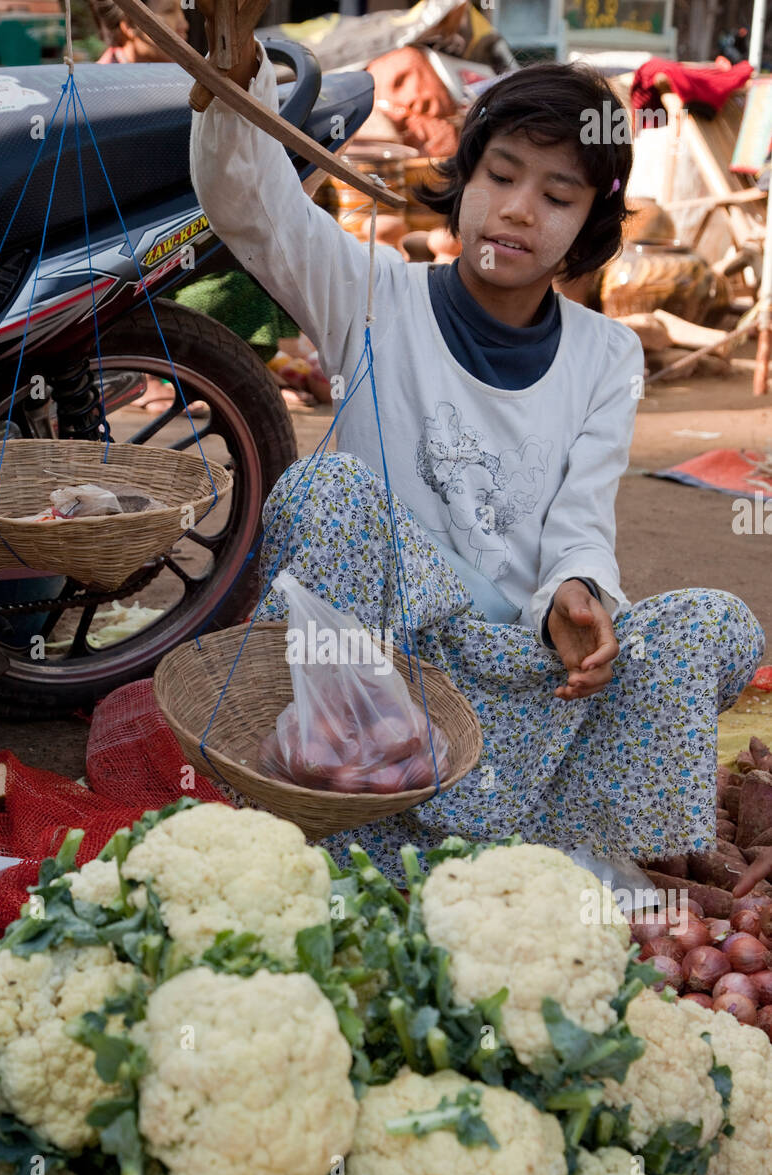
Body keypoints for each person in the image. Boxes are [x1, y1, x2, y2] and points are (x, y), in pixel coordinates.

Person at [190, 27, 766, 871]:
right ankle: (338, 819)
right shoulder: (371, 292)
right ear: (463, 182)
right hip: (380, 683)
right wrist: (232, 68)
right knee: (329, 488)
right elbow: (254, 204)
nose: (520, 209)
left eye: (559, 195)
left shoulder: (607, 356)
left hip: (521, 685)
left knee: (714, 623)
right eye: (500, 176)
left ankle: (546, 838)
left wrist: (576, 591)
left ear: (590, 228)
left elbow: (580, 519)